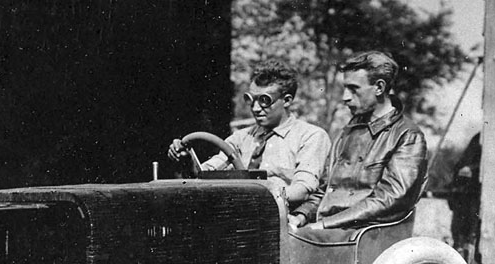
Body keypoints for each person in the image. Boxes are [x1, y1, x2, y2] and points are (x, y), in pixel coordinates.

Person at [289, 51, 427, 242]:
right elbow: (324, 190)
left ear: (379, 87)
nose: (345, 97)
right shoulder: (347, 132)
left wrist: (324, 224)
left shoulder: (407, 135)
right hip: (330, 229)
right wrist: (300, 216)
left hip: (366, 234)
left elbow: (389, 198)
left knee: (294, 241)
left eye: (354, 89)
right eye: (345, 88)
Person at [167, 60, 331, 206]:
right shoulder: (240, 138)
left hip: (283, 216)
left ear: (287, 100)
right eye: (251, 99)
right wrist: (188, 159)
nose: (255, 108)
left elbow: (302, 189)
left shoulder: (310, 136)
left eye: (264, 100)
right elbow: (206, 176)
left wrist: (260, 197)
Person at [447, 132, 482, 264]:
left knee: (472, 230)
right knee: (459, 231)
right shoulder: (477, 138)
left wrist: (471, 170)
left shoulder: (487, 138)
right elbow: (461, 165)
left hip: (475, 193)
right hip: (464, 194)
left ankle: (471, 263)